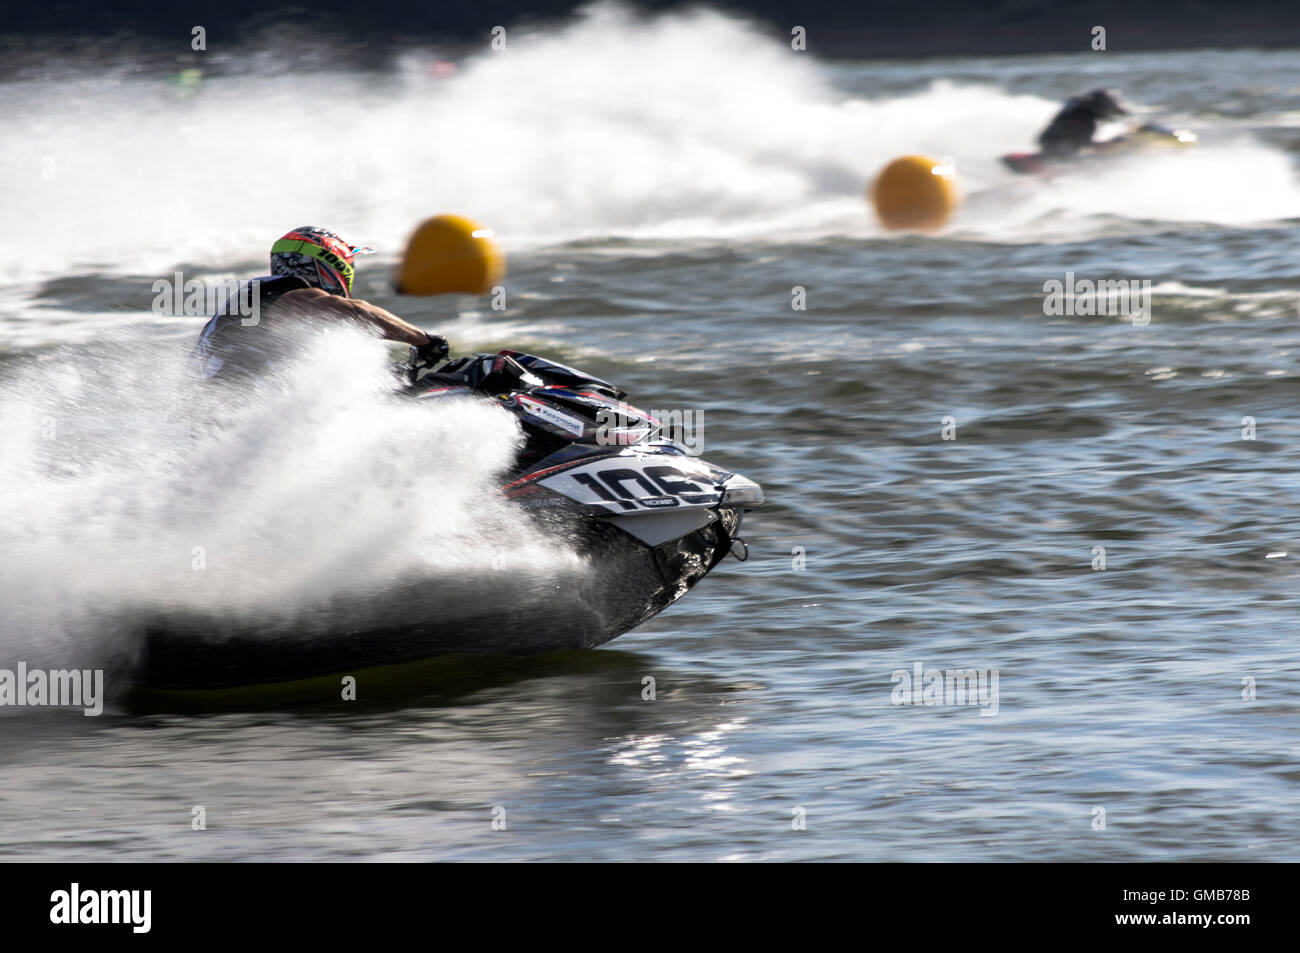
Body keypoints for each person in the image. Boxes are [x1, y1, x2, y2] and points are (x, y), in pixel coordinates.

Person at [193, 226, 448, 379]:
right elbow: (353, 311)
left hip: (221, 424)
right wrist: (424, 340)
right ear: (331, 264)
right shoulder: (282, 291)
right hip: (235, 419)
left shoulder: (246, 306)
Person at [1037, 88, 1130, 159]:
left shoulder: (1076, 115)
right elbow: (1084, 143)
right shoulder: (1082, 120)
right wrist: (1110, 144)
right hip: (1058, 158)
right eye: (1109, 109)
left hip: (1059, 153)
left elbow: (1082, 143)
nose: (1109, 112)